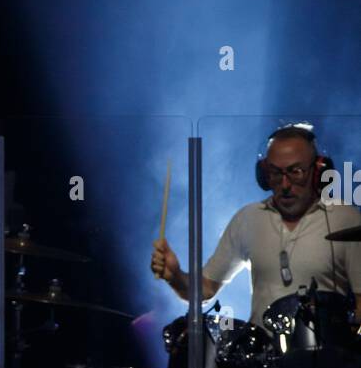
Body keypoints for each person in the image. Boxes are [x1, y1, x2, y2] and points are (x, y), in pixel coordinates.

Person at [151, 124, 361, 327]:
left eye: (295, 171)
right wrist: (176, 276)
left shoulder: (344, 218)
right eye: (276, 173)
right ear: (263, 175)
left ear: (318, 171)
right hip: (266, 361)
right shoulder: (247, 218)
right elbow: (205, 289)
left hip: (327, 357)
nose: (285, 185)